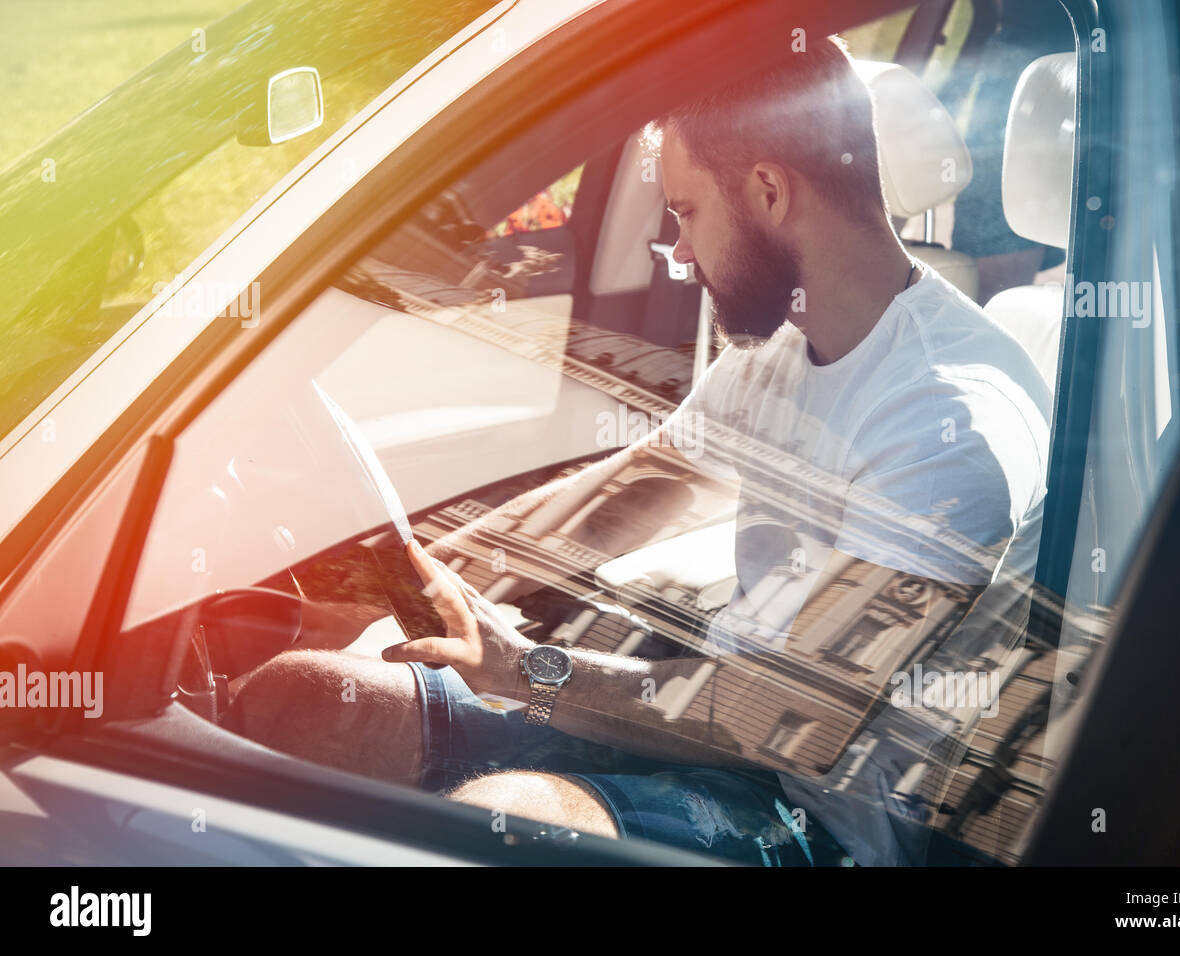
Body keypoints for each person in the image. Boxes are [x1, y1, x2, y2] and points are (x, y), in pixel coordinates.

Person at [225, 35, 1051, 866]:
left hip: (825, 817)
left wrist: (526, 671)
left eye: (686, 212)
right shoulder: (783, 344)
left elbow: (791, 719)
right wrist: (412, 577)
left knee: (504, 826)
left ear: (768, 190)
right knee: (307, 702)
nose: (681, 254)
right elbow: (632, 488)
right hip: (703, 721)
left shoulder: (949, 425)